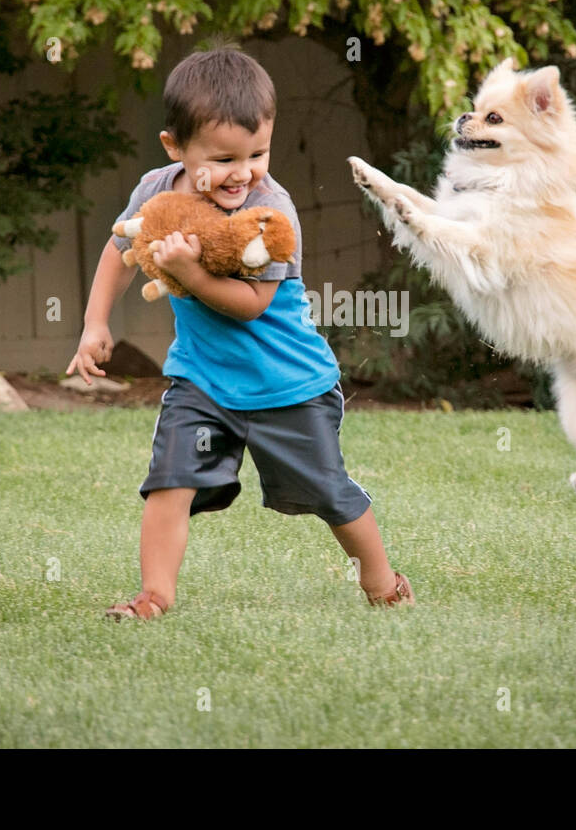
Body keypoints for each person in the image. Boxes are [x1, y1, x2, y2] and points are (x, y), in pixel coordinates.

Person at [65, 43, 414, 619]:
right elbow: (118, 247)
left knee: (329, 493)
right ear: (175, 147)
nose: (243, 172)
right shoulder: (156, 190)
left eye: (259, 152)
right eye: (224, 158)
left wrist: (188, 272)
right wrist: (94, 323)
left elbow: (250, 304)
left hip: (288, 385)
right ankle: (152, 597)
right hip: (201, 380)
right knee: (169, 481)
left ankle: (383, 583)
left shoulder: (270, 212)